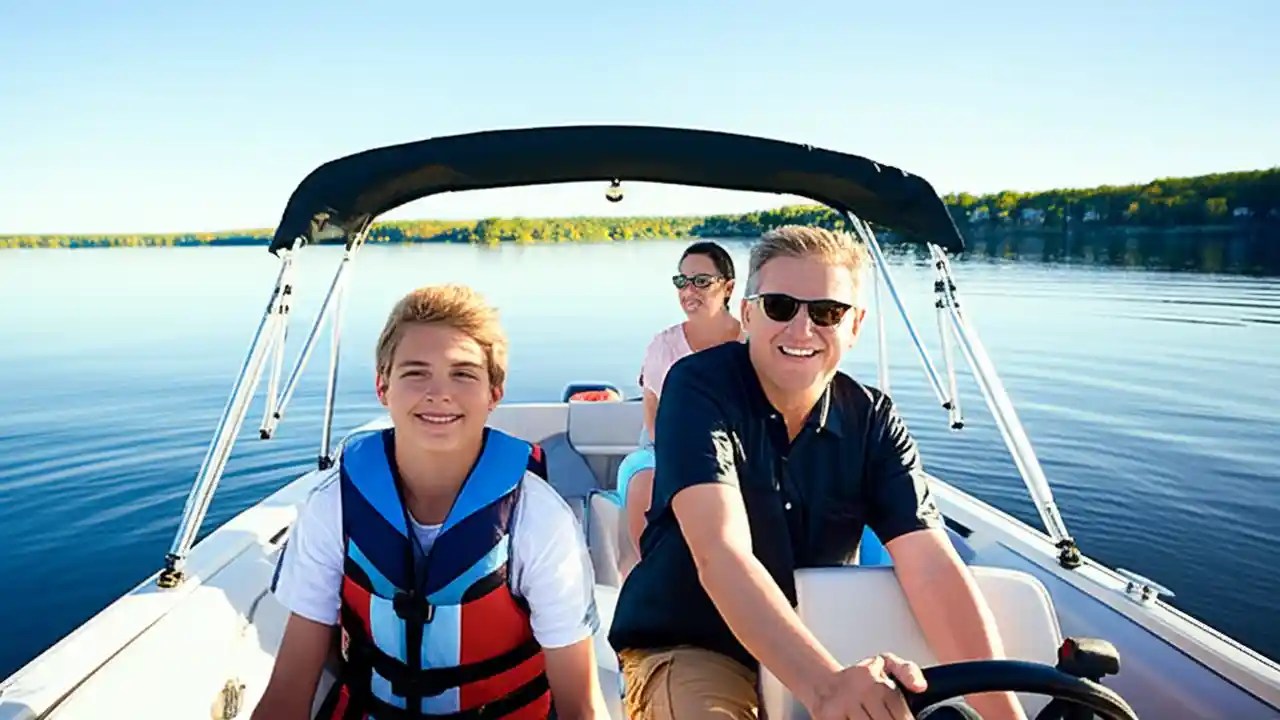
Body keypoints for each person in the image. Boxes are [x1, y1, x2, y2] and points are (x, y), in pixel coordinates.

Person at [608, 226, 1026, 720]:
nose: (802, 330)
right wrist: (828, 688)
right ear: (747, 313)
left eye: (827, 312)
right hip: (690, 640)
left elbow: (931, 566)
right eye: (781, 306)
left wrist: (1004, 713)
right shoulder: (698, 387)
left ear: (856, 325)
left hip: (824, 632)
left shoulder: (873, 420)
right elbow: (720, 552)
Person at [254, 285, 610, 720]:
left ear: (494, 393)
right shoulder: (333, 507)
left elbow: (581, 706)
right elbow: (290, 690)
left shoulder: (538, 520)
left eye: (463, 373)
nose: (439, 393)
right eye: (416, 372)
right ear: (383, 386)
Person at [615, 241, 743, 562]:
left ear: (728, 288)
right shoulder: (664, 345)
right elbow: (652, 412)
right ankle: (655, 573)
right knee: (645, 482)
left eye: (701, 281)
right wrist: (678, 459)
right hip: (664, 446)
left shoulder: (753, 344)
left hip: (739, 449)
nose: (689, 290)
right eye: (681, 281)